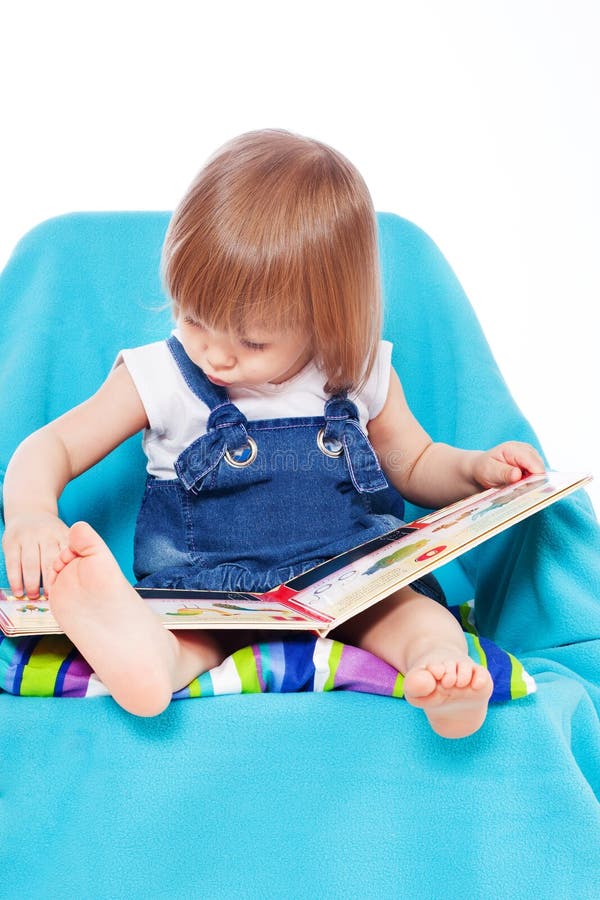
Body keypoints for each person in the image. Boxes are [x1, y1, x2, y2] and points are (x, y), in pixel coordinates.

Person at [1, 129, 544, 736]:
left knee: (413, 618)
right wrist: (30, 515)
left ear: (327, 320)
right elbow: (52, 445)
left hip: (345, 579)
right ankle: (147, 662)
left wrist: (473, 472)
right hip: (209, 588)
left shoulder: (358, 371)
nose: (214, 354)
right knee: (187, 641)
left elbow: (414, 464)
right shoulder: (161, 374)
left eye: (252, 341)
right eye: (193, 317)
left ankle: (442, 677)